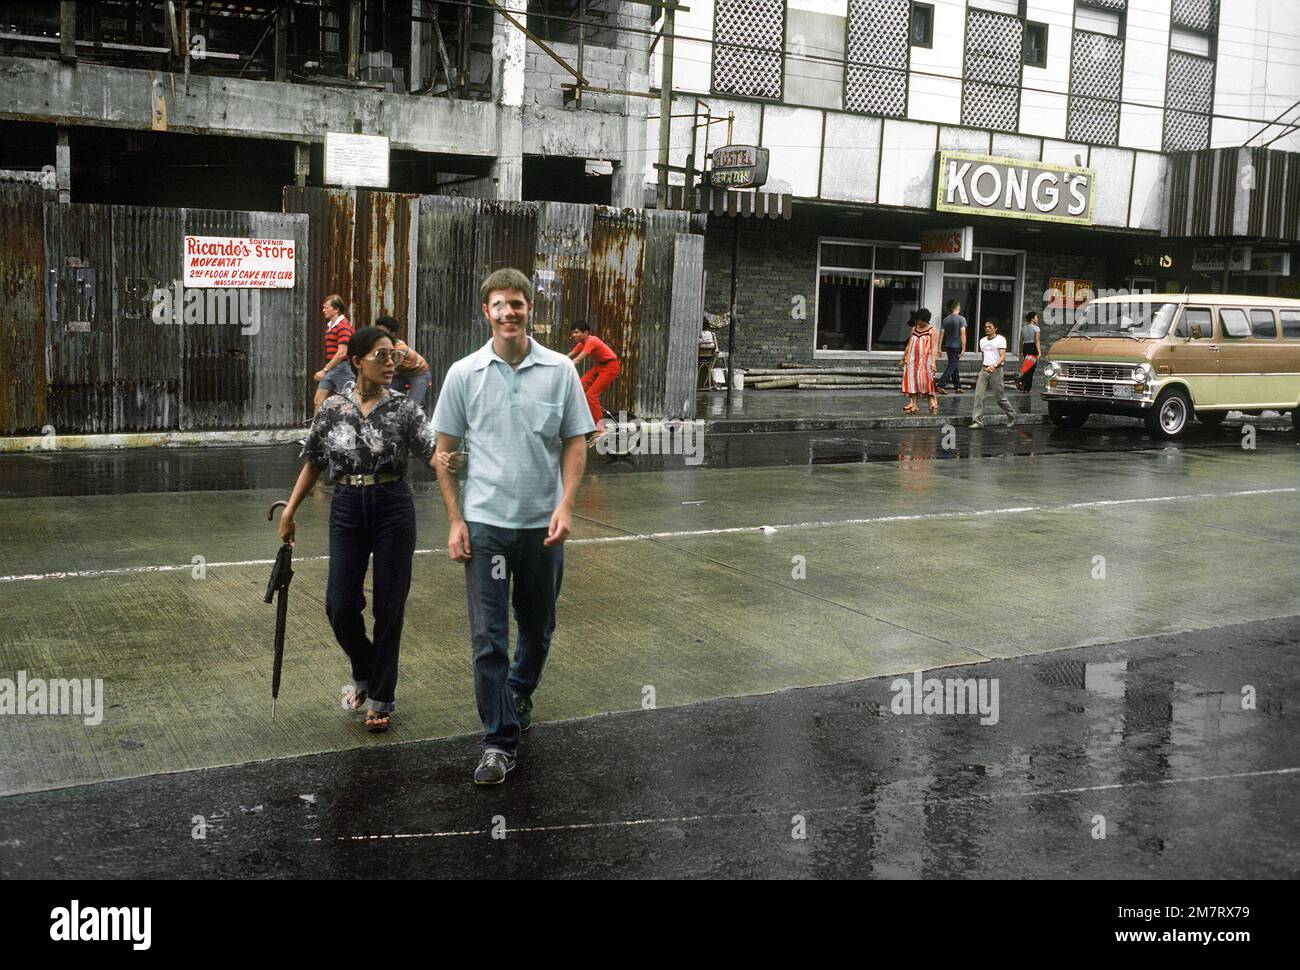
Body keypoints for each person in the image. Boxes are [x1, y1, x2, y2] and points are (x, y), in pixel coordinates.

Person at [432, 268, 595, 785]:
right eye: (499, 304)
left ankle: (520, 689)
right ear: (486, 312)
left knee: (539, 626)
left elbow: (575, 441)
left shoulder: (560, 370)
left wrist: (566, 506)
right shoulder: (463, 374)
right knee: (489, 637)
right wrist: (456, 519)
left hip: (542, 527)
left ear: (530, 309)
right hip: (486, 527)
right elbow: (444, 452)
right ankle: (498, 741)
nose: (509, 312)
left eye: (517, 304)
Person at [277, 326, 444, 732]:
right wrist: (290, 510)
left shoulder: (405, 408)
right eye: (382, 356)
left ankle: (381, 697)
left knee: (390, 606)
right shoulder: (333, 408)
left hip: (393, 508)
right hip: (347, 506)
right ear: (357, 361)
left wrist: (462, 469)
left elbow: (434, 454)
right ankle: (366, 671)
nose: (391, 364)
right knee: (339, 605)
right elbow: (314, 459)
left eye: (393, 357)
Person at [567, 321, 620, 437]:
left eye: (577, 332)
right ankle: (589, 419)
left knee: (591, 396)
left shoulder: (592, 341)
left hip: (610, 366)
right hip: (600, 366)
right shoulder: (581, 343)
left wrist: (565, 369)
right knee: (579, 388)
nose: (574, 335)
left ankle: (600, 429)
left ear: (586, 332)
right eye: (572, 333)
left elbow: (578, 359)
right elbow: (569, 356)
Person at [375, 316, 432, 410]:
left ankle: (419, 411)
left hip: (419, 374)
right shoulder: (380, 345)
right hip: (403, 374)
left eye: (383, 332)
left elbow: (392, 365)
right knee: (381, 393)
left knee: (412, 407)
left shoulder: (399, 347)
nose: (378, 335)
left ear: (392, 334)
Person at [970, 319, 1018, 429]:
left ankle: (1011, 416)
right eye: (986, 327)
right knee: (978, 396)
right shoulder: (982, 341)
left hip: (996, 370)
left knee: (999, 397)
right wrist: (983, 367)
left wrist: (994, 366)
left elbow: (1002, 356)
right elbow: (984, 356)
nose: (987, 328)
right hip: (984, 370)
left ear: (995, 328)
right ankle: (978, 421)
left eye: (990, 327)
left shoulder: (1000, 339)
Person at [312, 294, 354, 415]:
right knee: (318, 400)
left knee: (348, 403)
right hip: (333, 368)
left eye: (326, 307)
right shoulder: (330, 326)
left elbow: (342, 353)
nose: (323, 310)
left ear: (336, 309)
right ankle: (316, 431)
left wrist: (325, 370)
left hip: (343, 368)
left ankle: (350, 429)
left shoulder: (343, 326)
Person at [899, 308, 939, 414]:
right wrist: (903, 357)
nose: (918, 322)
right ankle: (913, 403)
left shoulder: (932, 330)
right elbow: (909, 343)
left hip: (925, 360)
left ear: (925, 320)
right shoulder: (914, 328)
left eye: (920, 320)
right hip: (912, 359)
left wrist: (933, 362)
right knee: (911, 380)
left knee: (924, 380)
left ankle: (931, 400)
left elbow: (934, 347)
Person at [935, 299, 967, 395]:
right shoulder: (962, 319)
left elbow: (942, 334)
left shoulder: (946, 319)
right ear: (958, 307)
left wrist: (939, 347)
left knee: (954, 366)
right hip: (957, 346)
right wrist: (964, 348)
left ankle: (958, 387)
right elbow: (963, 334)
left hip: (948, 346)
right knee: (952, 365)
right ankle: (941, 385)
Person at [1018, 310, 1042, 393]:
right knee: (1031, 369)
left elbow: (1021, 341)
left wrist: (1020, 351)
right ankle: (1022, 382)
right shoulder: (1036, 328)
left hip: (1025, 347)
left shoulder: (1023, 328)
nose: (1037, 319)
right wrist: (1039, 352)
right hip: (1032, 348)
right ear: (1032, 319)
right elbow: (1037, 340)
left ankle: (1026, 387)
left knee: (1028, 367)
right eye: (1036, 317)